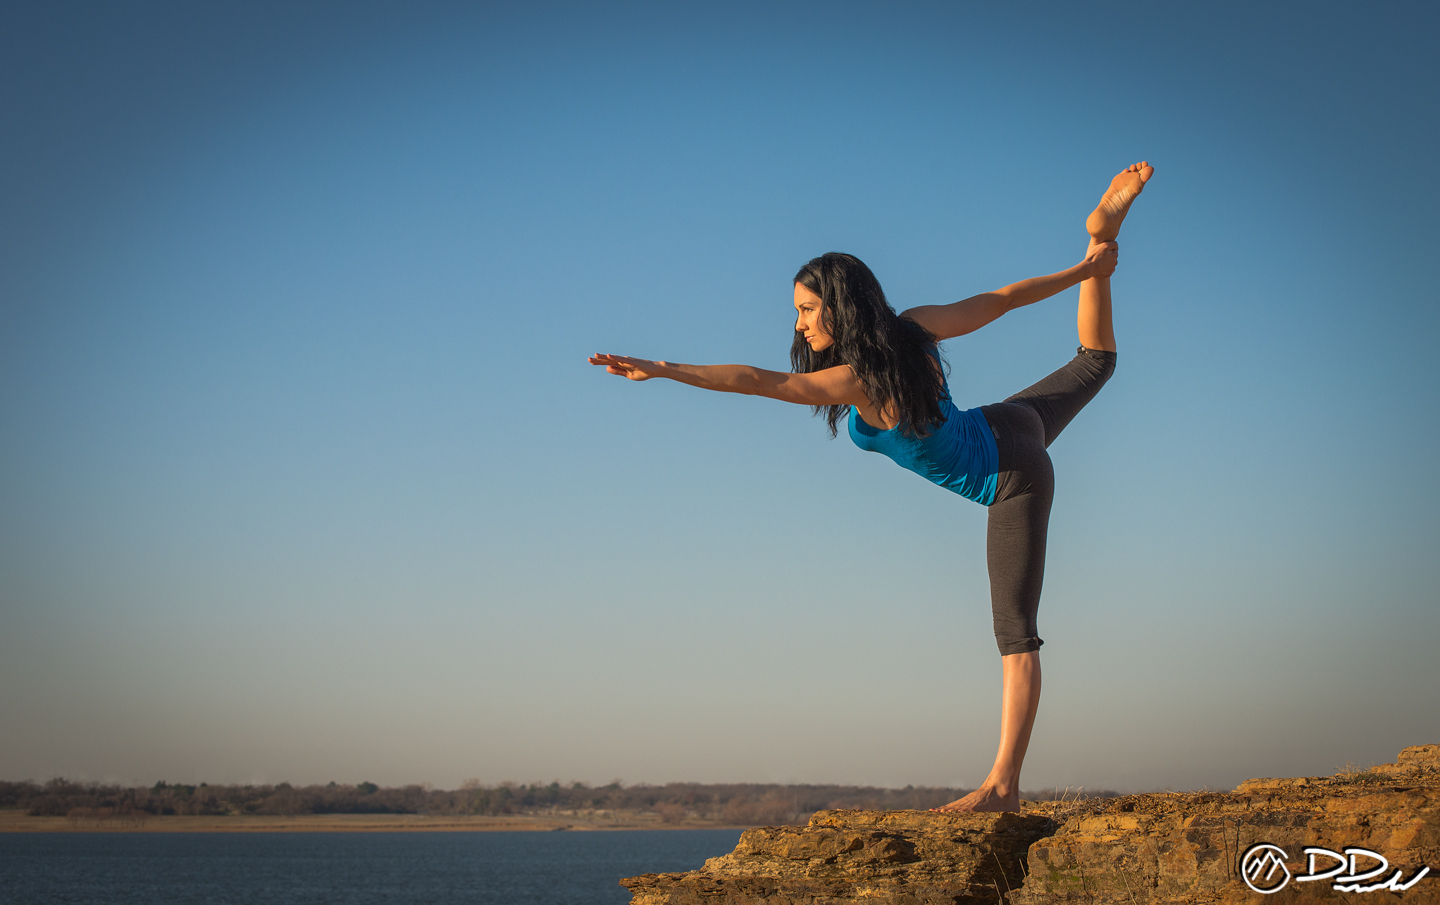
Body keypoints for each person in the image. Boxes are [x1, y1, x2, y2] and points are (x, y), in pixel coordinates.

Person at [589, 162, 1153, 812]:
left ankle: (1003, 787)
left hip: (1012, 477)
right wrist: (1087, 270)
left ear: (839, 305)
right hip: (1008, 422)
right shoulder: (913, 328)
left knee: (1015, 634)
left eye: (806, 308)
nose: (798, 322)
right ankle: (1099, 240)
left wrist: (664, 369)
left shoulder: (859, 380)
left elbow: (757, 381)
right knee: (1095, 360)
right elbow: (1001, 298)